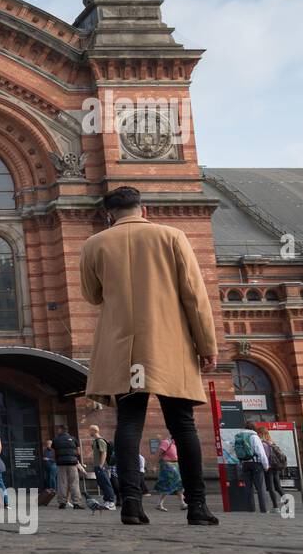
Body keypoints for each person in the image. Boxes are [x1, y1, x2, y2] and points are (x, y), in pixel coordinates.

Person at [81, 186, 220, 527]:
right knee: (183, 425)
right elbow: (195, 296)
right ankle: (198, 507)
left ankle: (130, 503)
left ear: (109, 214)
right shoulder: (172, 236)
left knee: (129, 423)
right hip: (170, 344)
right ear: (143, 209)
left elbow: (91, 295)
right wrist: (207, 346)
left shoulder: (94, 244)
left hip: (122, 346)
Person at [52, 426, 85, 509]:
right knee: (74, 483)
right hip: (72, 463)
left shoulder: (56, 439)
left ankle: (62, 503)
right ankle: (76, 503)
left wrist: (56, 460)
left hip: (61, 464)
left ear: (61, 430)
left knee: (62, 483)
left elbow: (53, 452)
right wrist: (76, 459)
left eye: (58, 429)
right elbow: (78, 452)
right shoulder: (73, 438)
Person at [86, 425, 117, 510]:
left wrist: (101, 465)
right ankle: (106, 500)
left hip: (101, 467)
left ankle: (111, 502)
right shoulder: (95, 441)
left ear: (94, 430)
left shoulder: (100, 441)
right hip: (97, 466)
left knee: (106, 483)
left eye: (90, 430)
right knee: (102, 484)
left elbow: (104, 453)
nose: (89, 432)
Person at [153, 434, 184, 511]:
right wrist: (154, 466)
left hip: (176, 464)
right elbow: (158, 454)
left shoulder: (175, 443)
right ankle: (182, 503)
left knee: (177, 483)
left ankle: (182, 503)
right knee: (174, 482)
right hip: (167, 464)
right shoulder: (166, 442)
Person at [264, 430, 286, 509]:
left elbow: (266, 456)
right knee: (278, 486)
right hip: (276, 467)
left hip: (269, 467)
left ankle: (275, 506)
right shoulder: (272, 442)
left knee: (271, 487)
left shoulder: (265, 443)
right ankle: (287, 502)